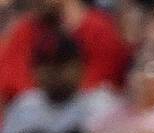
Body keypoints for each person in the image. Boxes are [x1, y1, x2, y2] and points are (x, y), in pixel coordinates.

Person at [0, 0, 130, 107]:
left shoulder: (101, 31)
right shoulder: (25, 30)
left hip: (85, 120)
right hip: (33, 120)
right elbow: (9, 82)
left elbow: (98, 87)